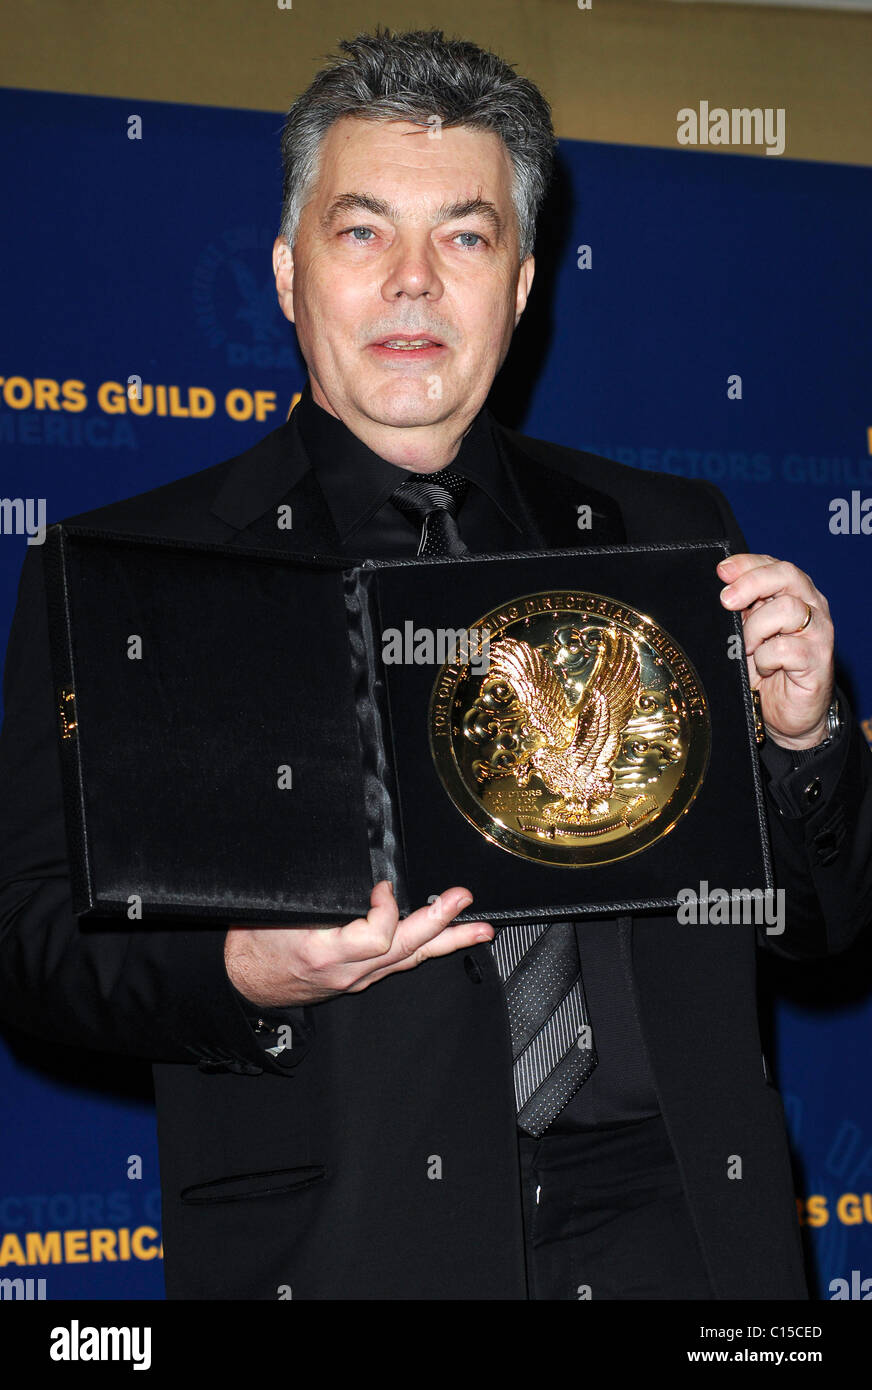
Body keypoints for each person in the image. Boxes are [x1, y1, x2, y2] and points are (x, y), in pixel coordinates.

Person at [0, 28, 869, 1301]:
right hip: (346, 1254)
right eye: (362, 235)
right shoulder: (133, 565)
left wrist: (806, 746)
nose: (413, 284)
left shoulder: (668, 536)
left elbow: (826, 923)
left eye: (463, 237)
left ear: (520, 286)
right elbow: (27, 941)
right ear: (290, 276)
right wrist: (239, 970)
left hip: (684, 1243)